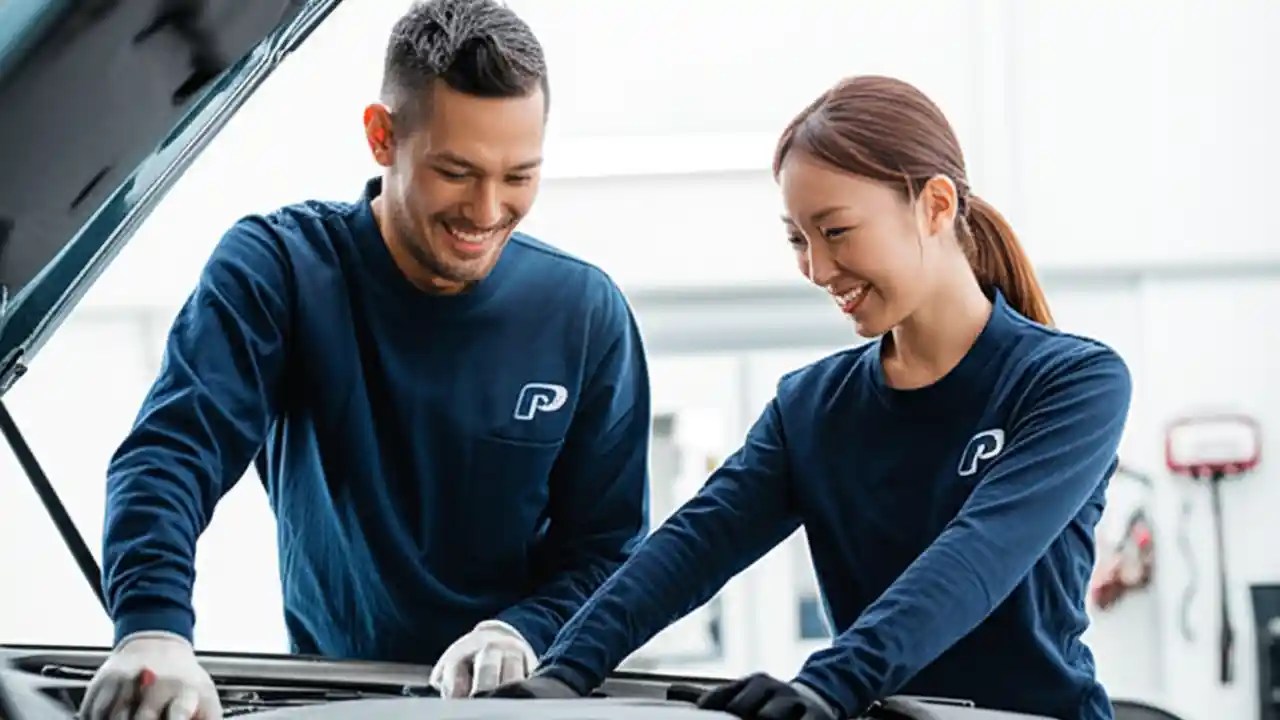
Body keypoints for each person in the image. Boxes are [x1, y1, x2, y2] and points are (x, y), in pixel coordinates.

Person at [487, 75, 1132, 720]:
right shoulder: (812, 409)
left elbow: (977, 555)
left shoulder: (1071, 384)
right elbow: (691, 546)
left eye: (837, 231)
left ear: (935, 205)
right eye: (798, 238)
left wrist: (828, 685)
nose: (818, 270)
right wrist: (565, 672)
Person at [79, 0, 652, 717]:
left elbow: (608, 549)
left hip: (519, 702)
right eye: (456, 171)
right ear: (383, 137)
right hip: (334, 701)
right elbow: (174, 451)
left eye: (519, 176)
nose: (486, 209)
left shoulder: (584, 314)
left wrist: (522, 630)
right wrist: (153, 627)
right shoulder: (278, 271)